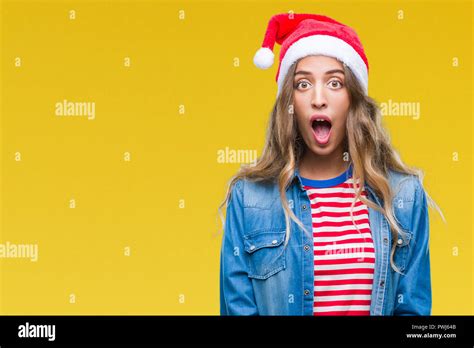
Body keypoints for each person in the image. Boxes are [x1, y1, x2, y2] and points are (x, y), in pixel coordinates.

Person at [218, 13, 443, 316]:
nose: (319, 98)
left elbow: (414, 315)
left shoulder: (403, 195)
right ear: (289, 103)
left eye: (335, 82)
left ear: (353, 99)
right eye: (303, 84)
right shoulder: (250, 199)